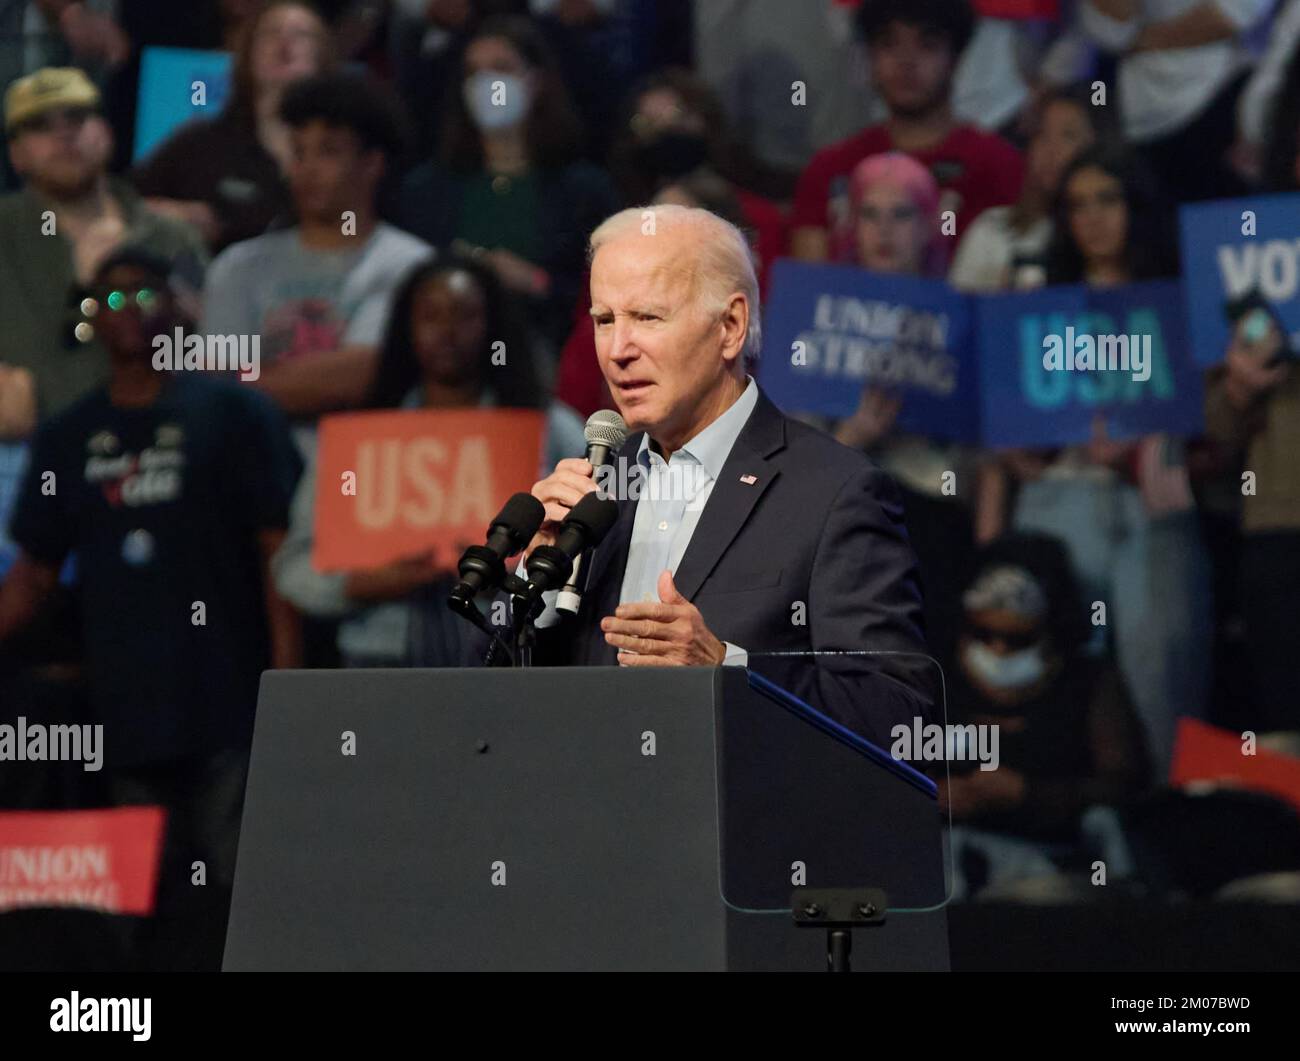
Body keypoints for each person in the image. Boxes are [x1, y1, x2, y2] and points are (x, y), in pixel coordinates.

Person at [520, 204, 933, 749]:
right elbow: (506, 710)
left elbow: (898, 716)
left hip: (740, 824)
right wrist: (535, 583)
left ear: (731, 327)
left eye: (647, 317)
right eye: (604, 321)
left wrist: (726, 671)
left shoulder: (834, 492)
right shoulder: (592, 495)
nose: (618, 350)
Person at [0, 246, 302, 941]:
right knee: (140, 900)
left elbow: (276, 549)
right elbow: (35, 573)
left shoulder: (234, 412)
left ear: (178, 309)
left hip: (230, 688)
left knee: (244, 883)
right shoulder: (67, 435)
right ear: (90, 321)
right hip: (124, 700)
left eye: (142, 295)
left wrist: (288, 680)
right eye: (107, 300)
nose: (126, 312)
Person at [1002, 144, 1212, 775]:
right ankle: (1083, 829)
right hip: (1060, 496)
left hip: (1156, 501)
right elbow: (1012, 430)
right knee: (1068, 668)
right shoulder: (1038, 306)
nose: (1091, 218)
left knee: (1164, 664)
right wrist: (1018, 459)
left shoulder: (1183, 301)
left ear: (1137, 208)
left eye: (1108, 200)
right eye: (1076, 205)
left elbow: (1220, 431)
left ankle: (1169, 830)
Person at [272, 254, 585, 669]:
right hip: (377, 658)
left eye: (464, 315)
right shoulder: (357, 440)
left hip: (506, 653)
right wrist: (359, 584)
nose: (448, 332)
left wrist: (515, 579)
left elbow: (593, 552)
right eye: (431, 316)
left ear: (492, 325)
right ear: (407, 328)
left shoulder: (551, 430)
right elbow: (292, 566)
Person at [200, 70, 433, 425]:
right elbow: (212, 385)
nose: (306, 169)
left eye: (328, 151)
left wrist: (246, 377)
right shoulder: (238, 267)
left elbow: (362, 376)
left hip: (366, 467)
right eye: (298, 152)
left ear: (372, 165)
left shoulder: (409, 265)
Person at [942, 534, 1150, 898]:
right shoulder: (931, 678)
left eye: (1017, 638)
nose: (998, 649)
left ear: (1050, 628)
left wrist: (1030, 794)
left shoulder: (1090, 683)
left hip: (1059, 868)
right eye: (984, 633)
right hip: (945, 862)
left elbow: (1126, 787)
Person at [0, 66, 207, 429]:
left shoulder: (171, 236)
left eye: (77, 118)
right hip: (36, 454)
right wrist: (82, 292)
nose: (64, 134)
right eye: (40, 125)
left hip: (165, 439)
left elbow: (210, 352)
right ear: (16, 155)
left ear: (106, 134)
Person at [395, 15, 618, 352]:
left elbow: (610, 297)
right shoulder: (424, 190)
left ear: (534, 81)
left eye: (501, 68)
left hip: (551, 347)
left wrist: (536, 282)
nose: (488, 83)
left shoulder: (584, 190)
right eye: (474, 72)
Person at [790, 0, 1023, 263]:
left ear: (956, 59)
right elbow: (807, 289)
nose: (906, 61)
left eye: (927, 45)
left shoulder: (999, 167)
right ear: (869, 57)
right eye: (889, 44)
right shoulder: (830, 168)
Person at [131, 0, 334, 252]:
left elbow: (367, 226)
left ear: (323, 55)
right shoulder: (200, 144)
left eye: (301, 35)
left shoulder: (345, 150)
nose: (284, 43)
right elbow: (122, 204)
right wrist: (172, 215)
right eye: (271, 33)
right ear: (248, 54)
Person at [1204, 295, 1300, 732]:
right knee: (1283, 712)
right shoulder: (1235, 268)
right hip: (1276, 525)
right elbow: (1215, 438)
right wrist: (1239, 389)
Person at [1076, 0, 1267, 202]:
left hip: (1218, 99)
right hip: (1127, 109)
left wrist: (1142, 42)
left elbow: (1234, 15)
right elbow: (1110, 34)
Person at [948, 87, 1101, 294]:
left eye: (1068, 135)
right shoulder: (991, 228)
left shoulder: (1113, 230)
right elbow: (959, 311)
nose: (1051, 149)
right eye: (1041, 134)